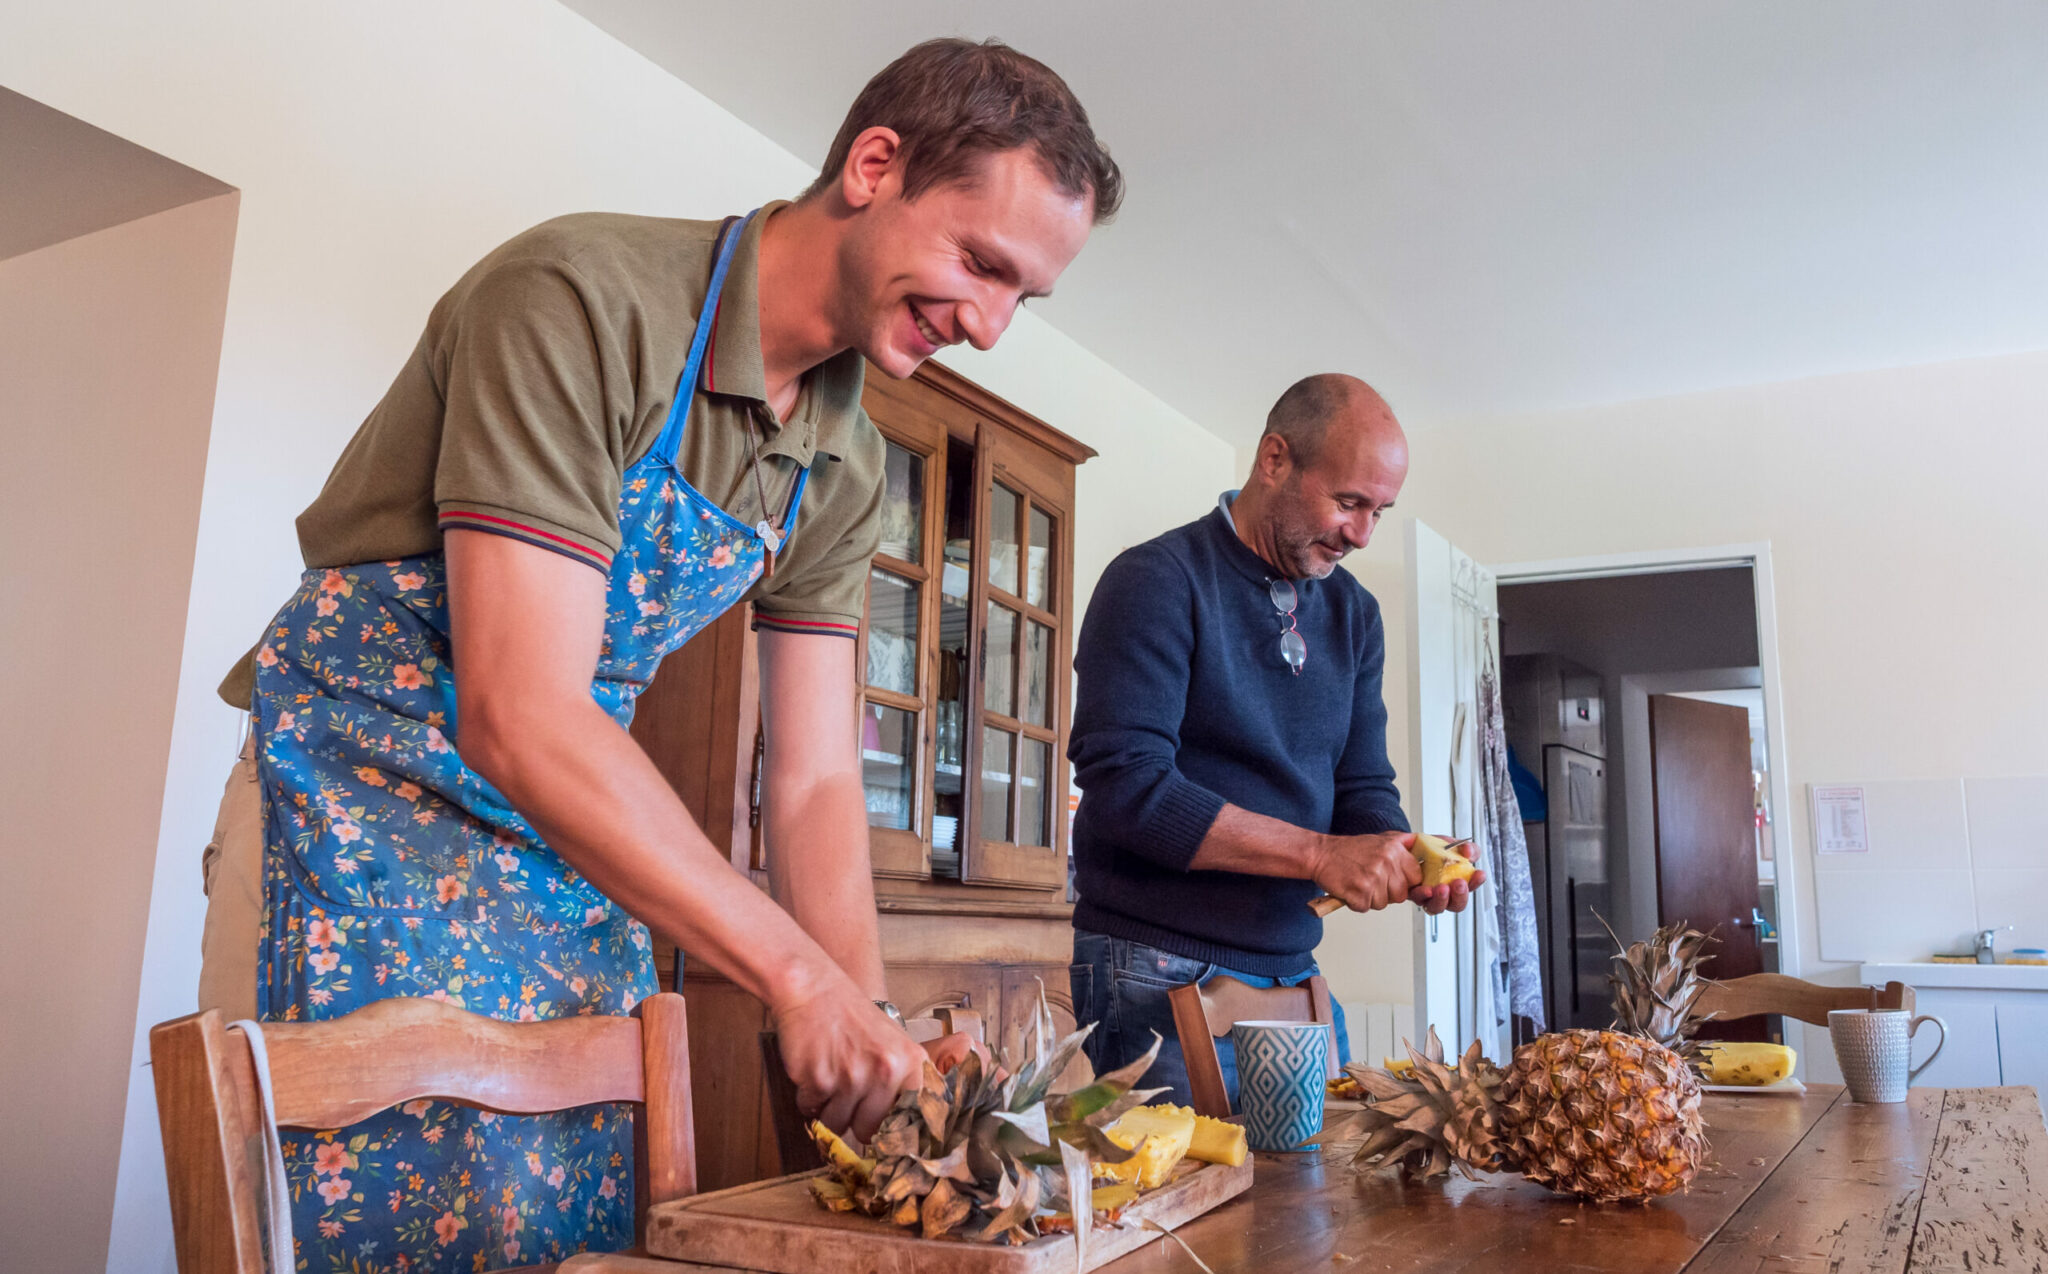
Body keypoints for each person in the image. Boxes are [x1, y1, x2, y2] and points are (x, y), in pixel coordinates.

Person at [195, 38, 1122, 1269]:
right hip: (355, 803)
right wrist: (793, 978)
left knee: (572, 1231)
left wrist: (871, 1027)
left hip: (572, 846)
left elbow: (813, 777)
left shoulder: (844, 462)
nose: (992, 327)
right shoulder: (579, 299)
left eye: (1024, 296)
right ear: (873, 164)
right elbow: (520, 712)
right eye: (978, 263)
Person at [1066, 374, 1485, 1105]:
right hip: (1154, 969)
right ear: (1273, 459)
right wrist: (1323, 855)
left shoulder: (1355, 614)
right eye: (1349, 502)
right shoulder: (1154, 581)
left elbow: (1361, 788)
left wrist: (1406, 855)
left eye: (1379, 512)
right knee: (1193, 1218)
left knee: (1327, 1210)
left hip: (1295, 970)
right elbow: (1130, 791)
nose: (1361, 533)